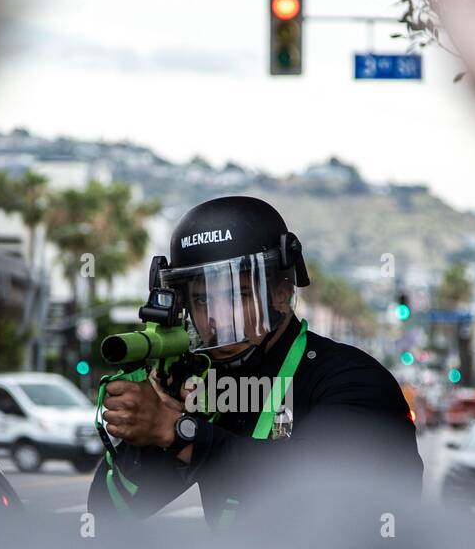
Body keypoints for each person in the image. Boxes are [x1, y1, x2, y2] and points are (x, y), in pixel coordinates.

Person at [86, 195, 422, 526]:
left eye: (236, 295)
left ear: (280, 291)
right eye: (203, 299)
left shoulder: (353, 379)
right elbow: (109, 512)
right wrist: (146, 433)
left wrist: (175, 431)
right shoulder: (211, 389)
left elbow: (315, 486)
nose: (217, 318)